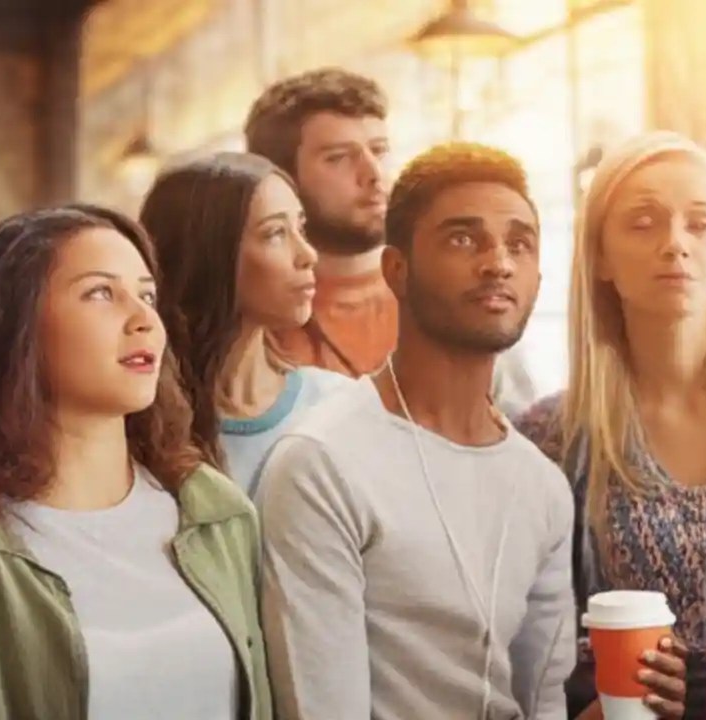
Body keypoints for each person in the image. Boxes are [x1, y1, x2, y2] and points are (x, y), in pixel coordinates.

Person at [0, 207, 271, 719]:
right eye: (100, 293)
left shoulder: (217, 513)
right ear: (18, 328)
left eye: (146, 295)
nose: (143, 317)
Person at [258, 142, 574, 719]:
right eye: (463, 238)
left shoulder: (543, 486)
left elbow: (543, 703)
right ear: (395, 270)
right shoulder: (323, 461)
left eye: (519, 244)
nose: (498, 262)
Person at [515, 132, 706, 719]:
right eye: (643, 222)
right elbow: (531, 649)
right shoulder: (554, 439)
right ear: (600, 256)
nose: (675, 244)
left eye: (701, 224)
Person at [244, 66, 539, 415]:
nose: (373, 174)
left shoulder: (451, 291)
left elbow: (519, 432)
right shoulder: (258, 314)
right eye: (338, 158)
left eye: (379, 150)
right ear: (281, 178)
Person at [139, 152, 352, 496]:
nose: (308, 254)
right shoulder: (142, 425)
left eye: (300, 228)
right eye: (275, 234)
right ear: (208, 254)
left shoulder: (337, 406)